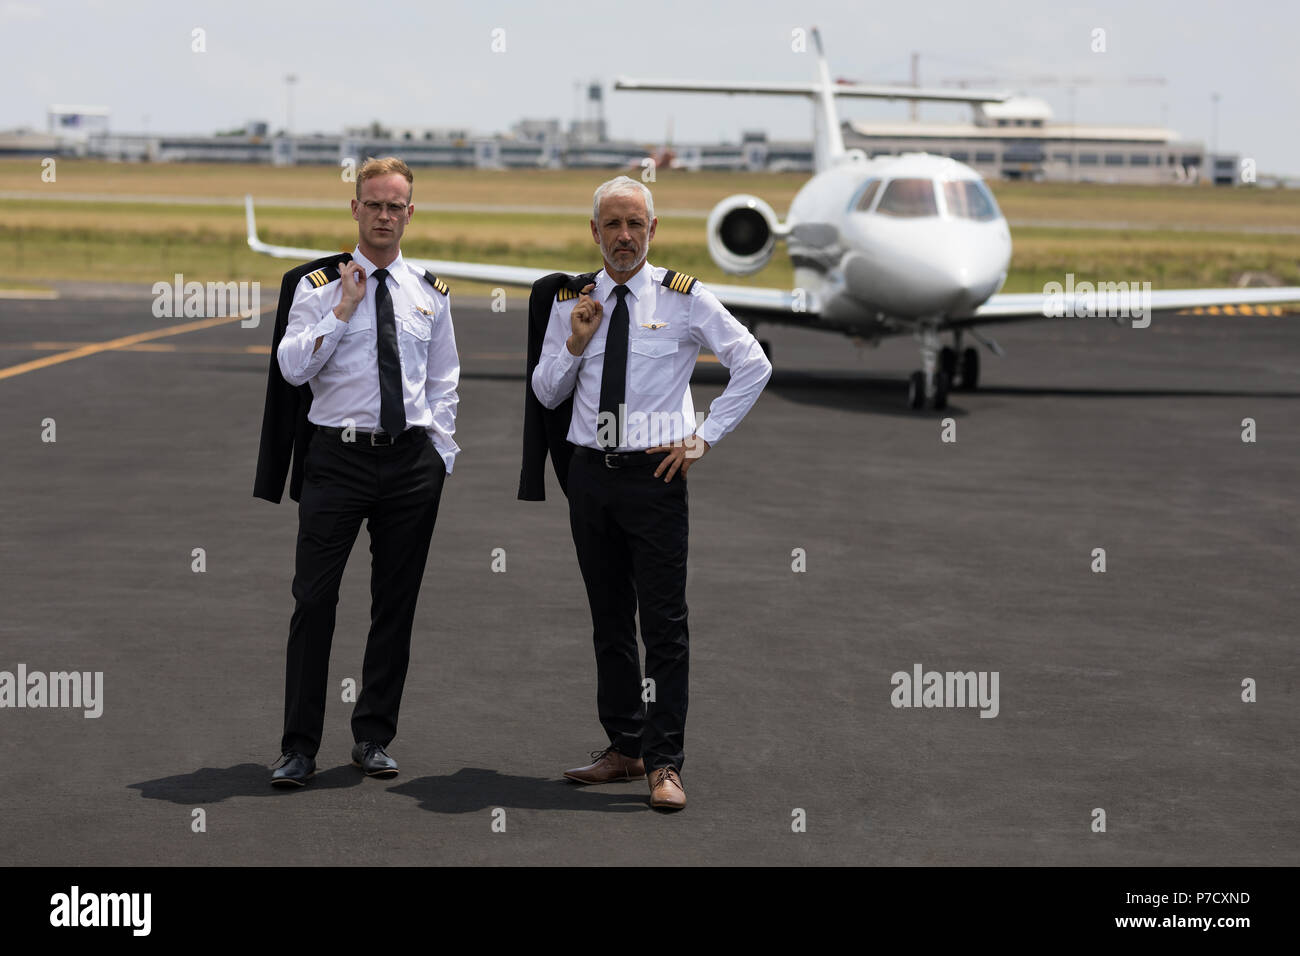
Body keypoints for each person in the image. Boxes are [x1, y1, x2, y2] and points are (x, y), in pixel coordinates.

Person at [530, 175, 772, 810]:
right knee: (609, 622)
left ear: (653, 230)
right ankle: (624, 748)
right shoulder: (572, 302)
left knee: (663, 625)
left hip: (654, 478)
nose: (624, 236)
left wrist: (703, 437)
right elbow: (546, 393)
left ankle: (665, 763)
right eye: (611, 224)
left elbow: (753, 363)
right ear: (594, 232)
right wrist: (575, 344)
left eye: (635, 223)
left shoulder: (683, 299)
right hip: (591, 475)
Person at [258, 156, 460, 788]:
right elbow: (293, 370)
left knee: (394, 605)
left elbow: (445, 378)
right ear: (354, 209)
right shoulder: (316, 287)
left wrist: (439, 453)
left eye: (395, 205)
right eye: (372, 203)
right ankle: (298, 746)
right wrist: (342, 309)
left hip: (408, 463)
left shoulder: (430, 291)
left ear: (409, 212)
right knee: (313, 600)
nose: (383, 215)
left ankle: (373, 736)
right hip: (337, 459)